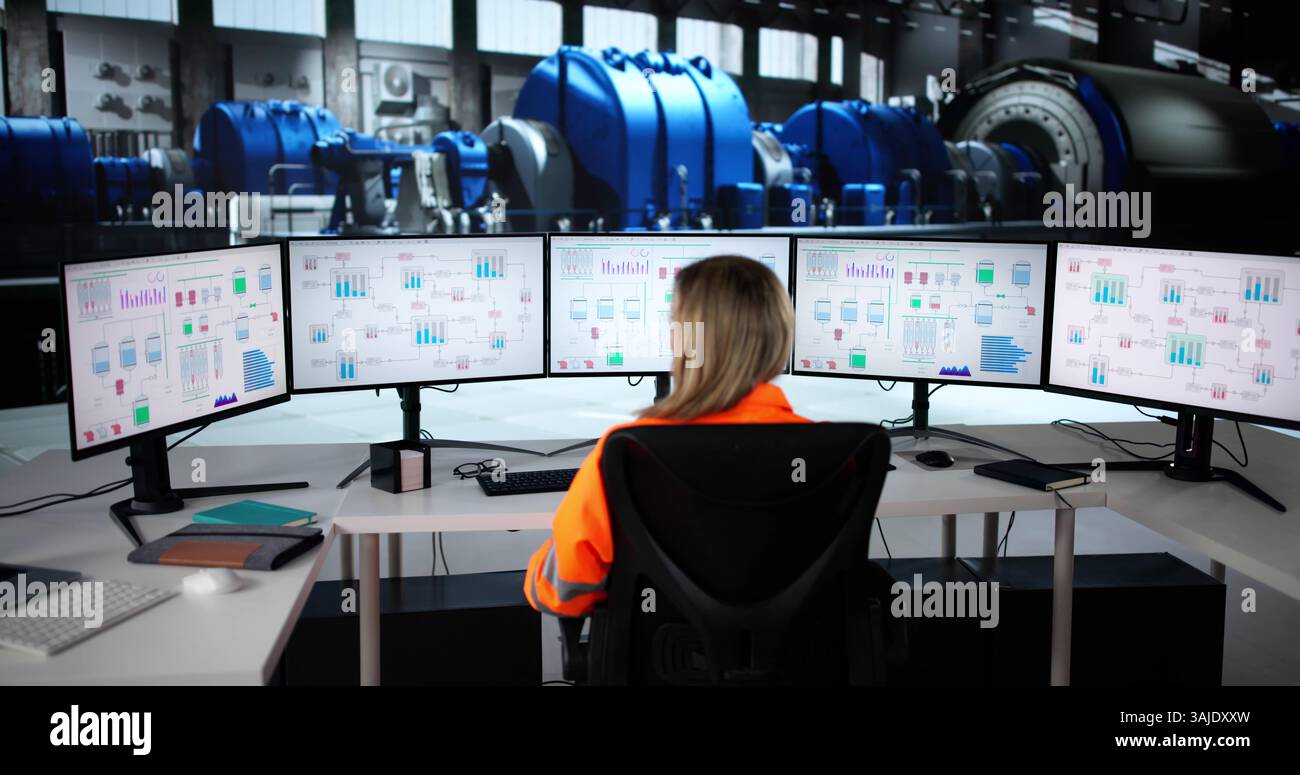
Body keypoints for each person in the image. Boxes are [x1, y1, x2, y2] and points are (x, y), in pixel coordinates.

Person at [524, 255, 809, 617]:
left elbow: (561, 592)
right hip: (796, 660)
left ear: (684, 341)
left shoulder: (628, 449)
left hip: (662, 662)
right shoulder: (833, 454)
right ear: (782, 333)